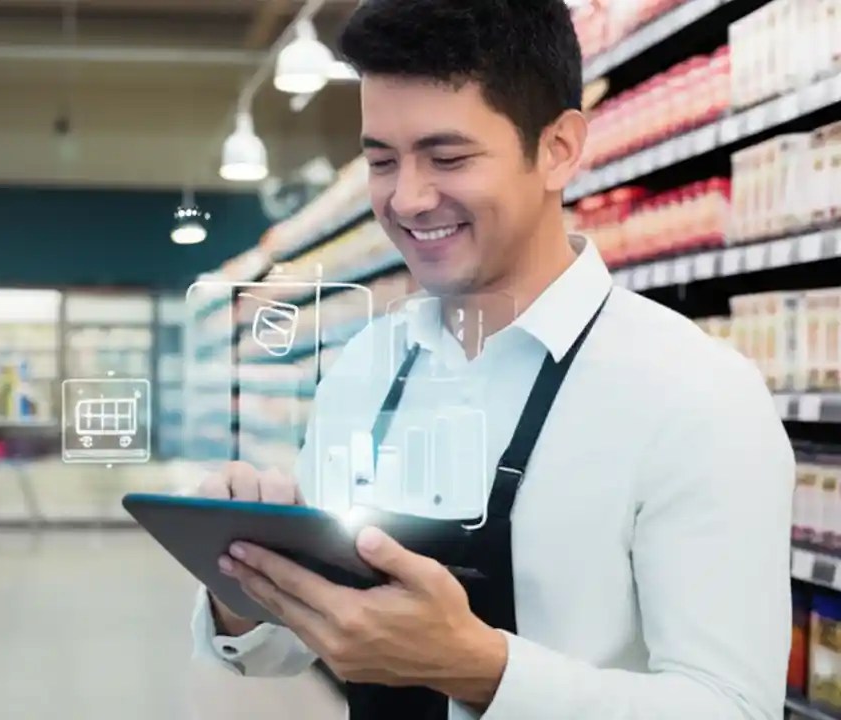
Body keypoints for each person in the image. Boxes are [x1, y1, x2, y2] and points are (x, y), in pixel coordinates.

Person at [190, 1, 794, 718]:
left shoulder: (697, 395)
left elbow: (732, 707)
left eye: (448, 158)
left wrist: (481, 670)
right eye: (381, 161)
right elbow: (298, 640)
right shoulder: (366, 367)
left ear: (559, 149)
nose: (408, 198)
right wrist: (246, 580)